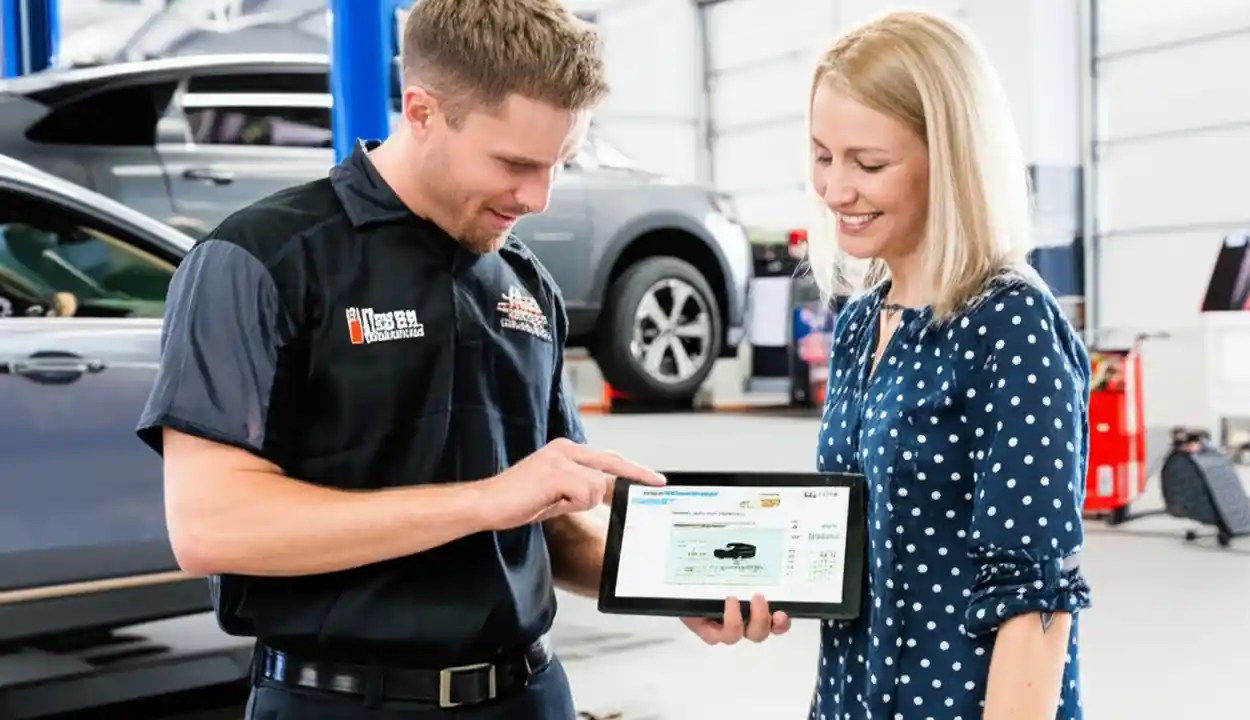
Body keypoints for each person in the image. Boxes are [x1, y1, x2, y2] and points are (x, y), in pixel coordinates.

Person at [134, 1, 787, 718]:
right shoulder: (261, 260)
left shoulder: (525, 283)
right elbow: (211, 527)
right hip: (341, 701)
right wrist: (484, 501)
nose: (537, 198)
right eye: (513, 163)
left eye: (557, 165)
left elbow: (547, 522)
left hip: (530, 696)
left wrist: (671, 584)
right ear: (421, 110)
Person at [803, 10, 1093, 720]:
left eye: (868, 164)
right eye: (821, 155)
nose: (836, 189)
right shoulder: (861, 322)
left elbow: (1036, 601)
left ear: (952, 158)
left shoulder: (1010, 325)